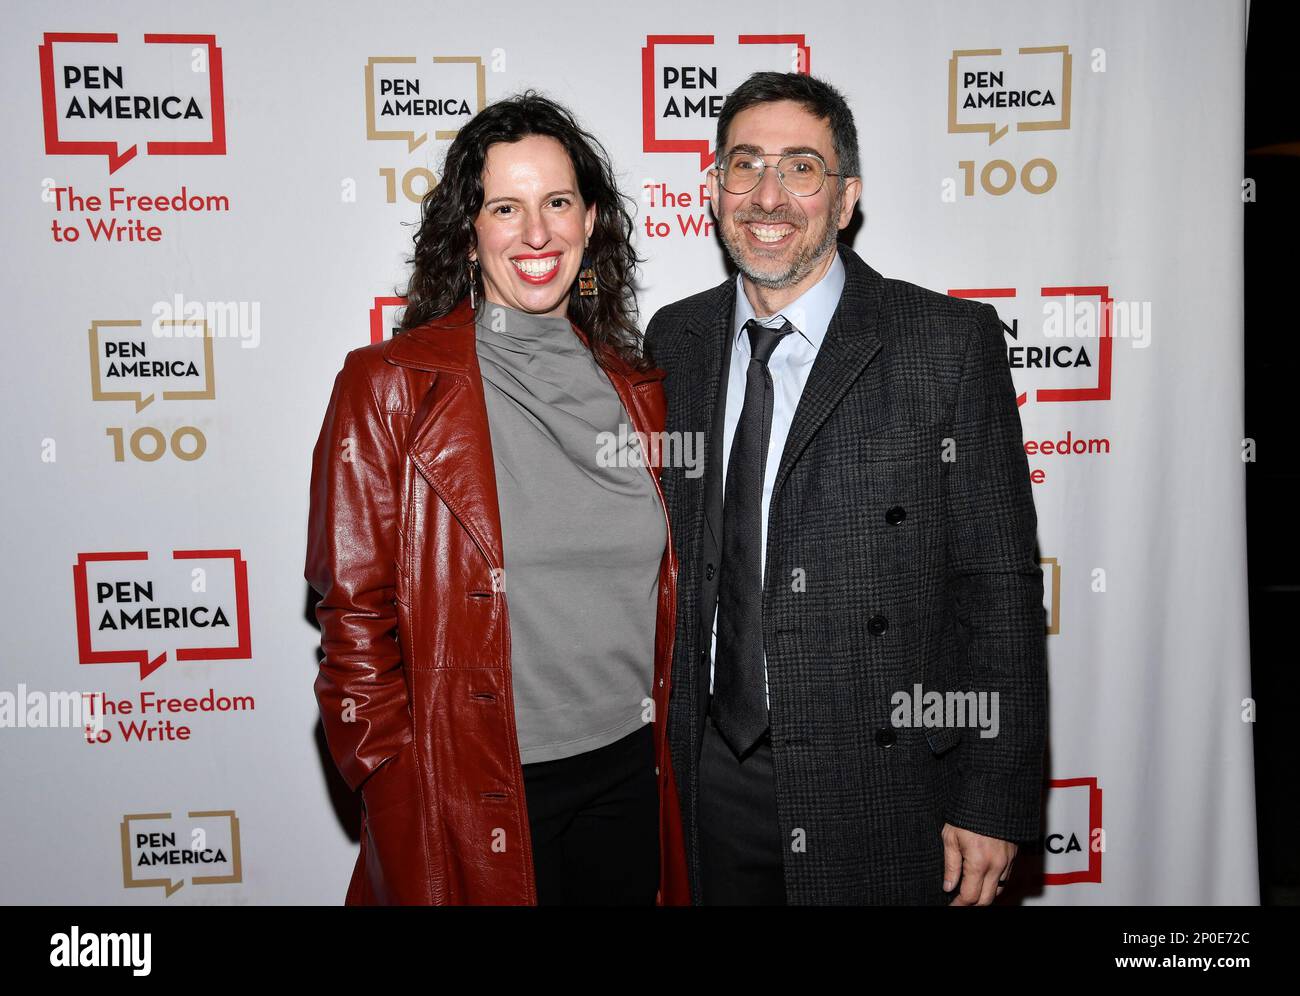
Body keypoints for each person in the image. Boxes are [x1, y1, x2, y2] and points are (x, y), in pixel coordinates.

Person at [644, 72, 1047, 905]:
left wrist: (990, 797)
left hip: (884, 786)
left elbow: (999, 588)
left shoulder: (945, 343)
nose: (769, 194)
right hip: (708, 778)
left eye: (801, 168)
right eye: (745, 164)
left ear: (846, 196)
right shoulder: (674, 338)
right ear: (713, 187)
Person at [305, 92, 690, 905]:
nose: (537, 232)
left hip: (633, 779)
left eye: (556, 203)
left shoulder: (640, 388)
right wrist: (398, 785)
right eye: (505, 208)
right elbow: (353, 616)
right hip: (478, 791)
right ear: (470, 234)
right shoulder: (391, 387)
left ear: (591, 220)